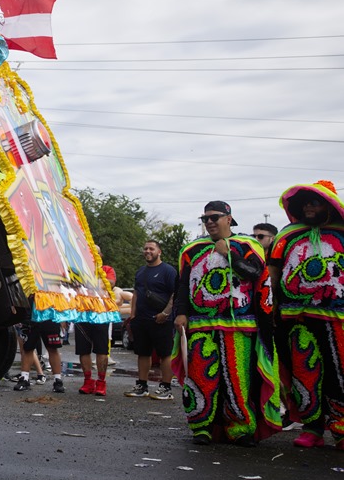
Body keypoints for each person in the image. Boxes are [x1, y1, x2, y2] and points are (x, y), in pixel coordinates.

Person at [173, 201, 280, 446]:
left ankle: (240, 428)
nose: (209, 222)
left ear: (229, 219)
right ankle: (202, 427)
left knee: (237, 379)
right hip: (201, 324)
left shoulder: (247, 245)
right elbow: (182, 285)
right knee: (200, 377)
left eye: (215, 217)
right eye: (205, 218)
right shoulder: (192, 249)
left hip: (239, 326)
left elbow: (256, 276)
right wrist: (181, 313)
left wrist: (227, 253)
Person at [268, 180, 344, 450]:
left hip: (338, 320)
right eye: (306, 203)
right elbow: (274, 273)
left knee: (339, 374)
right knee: (304, 372)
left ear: (330, 205)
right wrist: (272, 306)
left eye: (315, 202)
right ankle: (313, 427)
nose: (309, 207)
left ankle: (341, 428)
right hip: (296, 318)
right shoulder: (288, 235)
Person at [125, 240, 177, 400]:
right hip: (141, 320)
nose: (148, 251)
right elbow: (136, 293)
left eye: (151, 249)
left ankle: (166, 388)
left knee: (165, 354)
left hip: (161, 320)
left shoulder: (168, 271)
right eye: (145, 248)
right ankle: (142, 385)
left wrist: (165, 313)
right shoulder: (141, 272)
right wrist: (133, 315)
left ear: (159, 251)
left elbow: (175, 294)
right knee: (143, 353)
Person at [14, 320, 64, 393]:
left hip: (49, 315)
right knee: (27, 348)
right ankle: (24, 378)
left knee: (52, 348)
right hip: (30, 317)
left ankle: (58, 380)